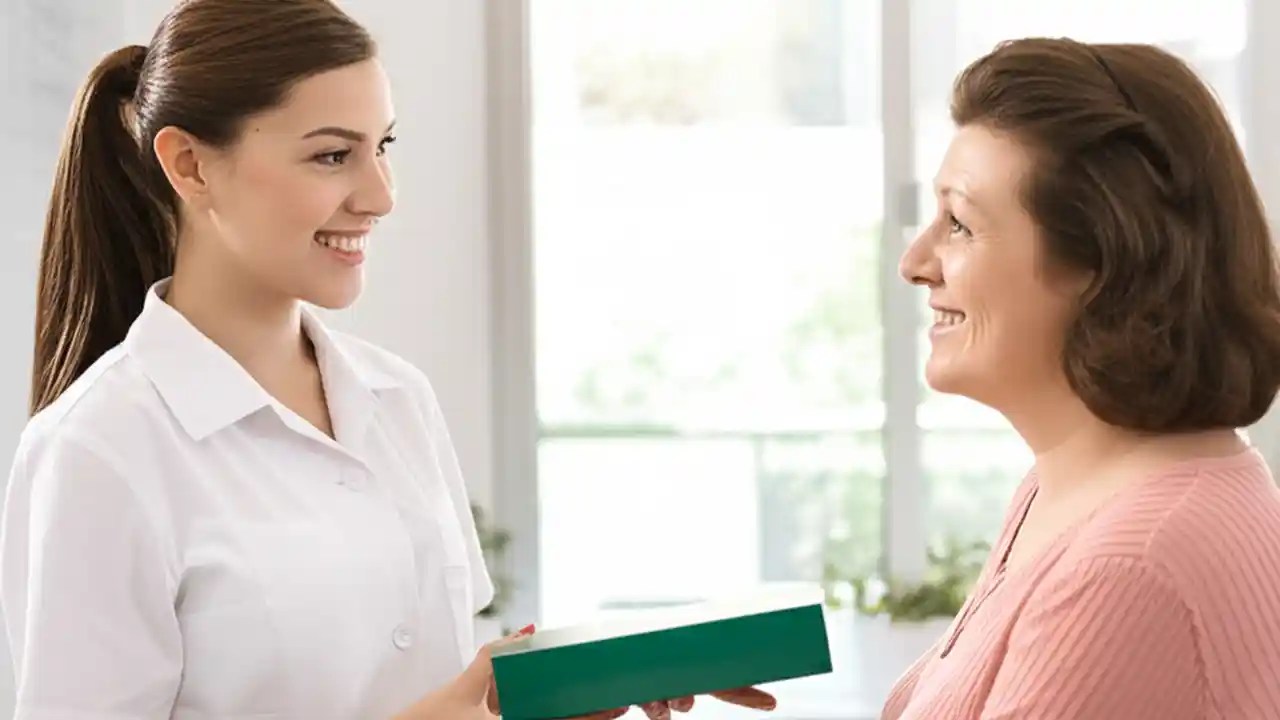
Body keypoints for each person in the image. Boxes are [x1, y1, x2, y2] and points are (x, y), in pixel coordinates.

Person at [0, 2, 777, 719]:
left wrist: (571, 683)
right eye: (333, 155)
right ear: (191, 165)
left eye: (383, 148)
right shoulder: (98, 449)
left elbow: (434, 682)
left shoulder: (396, 396)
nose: (380, 195)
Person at [884, 37, 1280, 719]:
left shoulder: (1125, 573)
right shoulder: (1069, 491)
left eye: (961, 225)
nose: (916, 262)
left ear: (1104, 260)